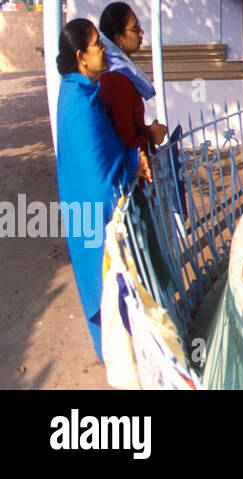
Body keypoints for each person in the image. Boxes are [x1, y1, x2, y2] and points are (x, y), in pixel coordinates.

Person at [54, 18, 151, 360]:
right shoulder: (80, 103)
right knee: (110, 291)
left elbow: (100, 150)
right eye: (97, 44)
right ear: (82, 57)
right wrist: (132, 163)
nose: (104, 49)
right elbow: (98, 178)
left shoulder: (79, 90)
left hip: (84, 211)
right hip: (93, 214)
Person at [97, 2, 167, 156]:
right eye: (135, 29)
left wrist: (147, 129)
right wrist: (150, 137)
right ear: (118, 38)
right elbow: (125, 142)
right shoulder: (116, 80)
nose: (141, 32)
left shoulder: (122, 74)